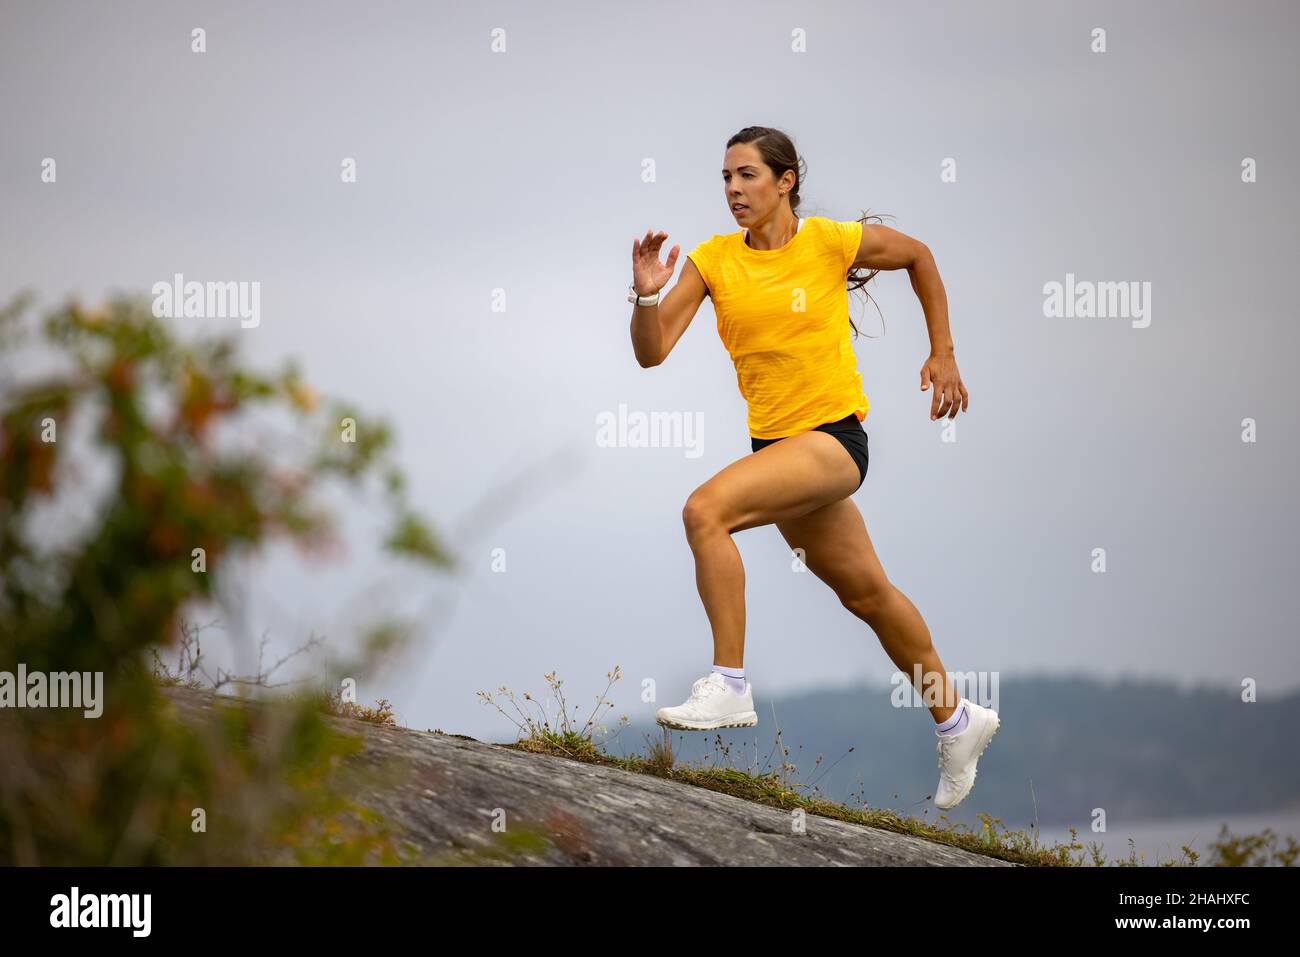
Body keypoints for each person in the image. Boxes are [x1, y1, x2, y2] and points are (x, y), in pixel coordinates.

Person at [627, 126, 998, 810]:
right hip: (777, 453)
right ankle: (956, 719)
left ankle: (729, 682)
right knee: (867, 595)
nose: (734, 190)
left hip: (832, 441)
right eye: (726, 179)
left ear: (785, 180)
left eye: (747, 176)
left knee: (704, 510)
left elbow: (919, 256)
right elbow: (652, 354)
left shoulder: (829, 241)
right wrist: (647, 295)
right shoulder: (712, 261)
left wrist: (943, 351)